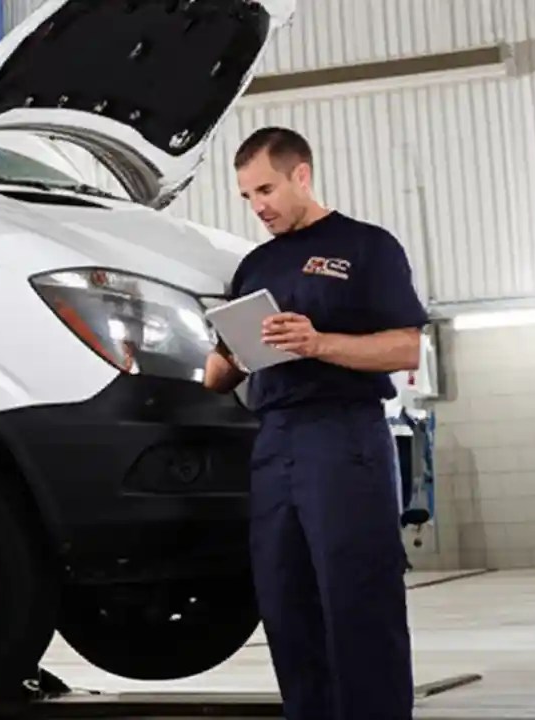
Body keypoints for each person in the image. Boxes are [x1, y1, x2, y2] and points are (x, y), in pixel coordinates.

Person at [204, 127, 427, 720]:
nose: (259, 206)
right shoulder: (253, 266)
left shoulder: (367, 247)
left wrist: (317, 342)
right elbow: (215, 378)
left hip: (344, 437)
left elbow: (405, 349)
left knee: (358, 600)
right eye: (247, 196)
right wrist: (226, 351)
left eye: (266, 189)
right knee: (286, 604)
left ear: (302, 174)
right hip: (273, 444)